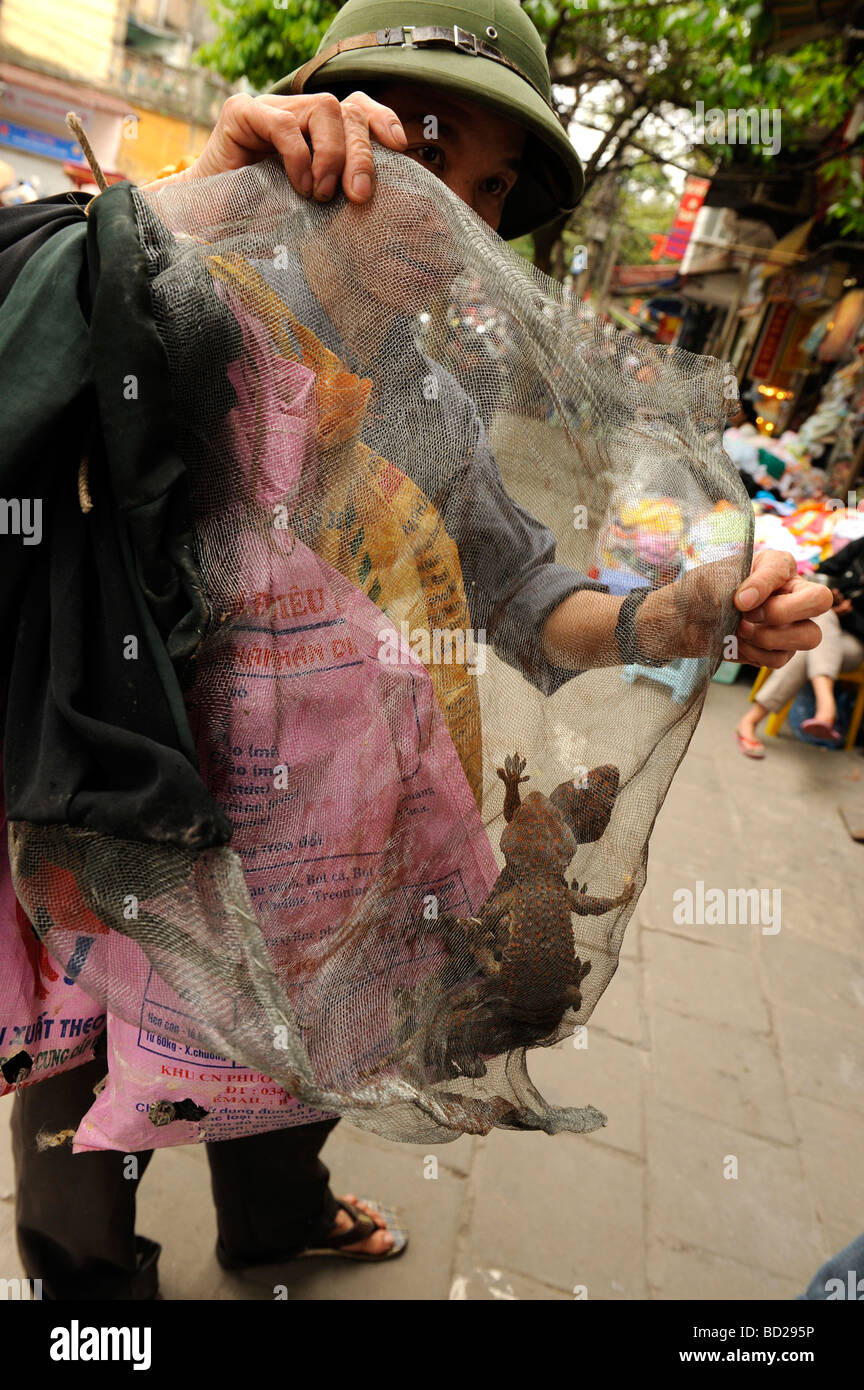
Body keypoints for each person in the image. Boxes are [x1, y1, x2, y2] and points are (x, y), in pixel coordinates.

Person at [5, 0, 832, 1296]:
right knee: (78, 1114)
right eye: (425, 148)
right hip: (114, 837)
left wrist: (685, 613)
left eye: (492, 187)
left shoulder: (435, 411)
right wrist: (190, 201)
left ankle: (276, 1219)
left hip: (320, 865)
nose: (453, 213)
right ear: (318, 128)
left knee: (302, 1063)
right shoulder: (163, 301)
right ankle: (87, 1292)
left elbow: (525, 598)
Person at [736, 533, 864, 755]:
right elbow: (824, 570)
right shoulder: (861, 546)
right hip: (826, 628)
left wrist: (851, 615)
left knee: (814, 642)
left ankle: (750, 721)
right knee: (822, 622)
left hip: (854, 644)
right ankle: (826, 708)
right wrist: (832, 595)